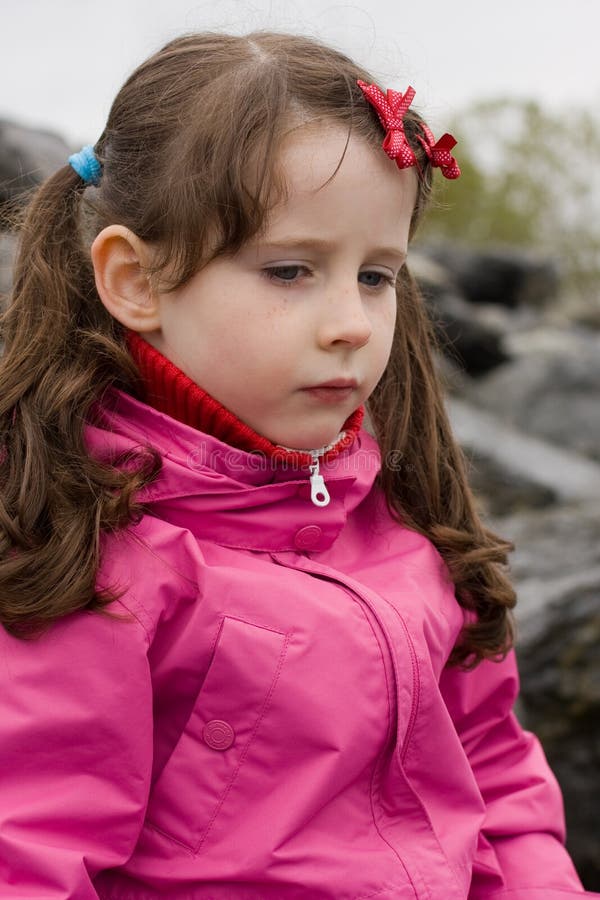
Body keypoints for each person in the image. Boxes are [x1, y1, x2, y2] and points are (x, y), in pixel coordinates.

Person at [0, 31, 595, 900]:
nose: (351, 322)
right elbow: (31, 855)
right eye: (290, 270)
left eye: (377, 277)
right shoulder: (83, 557)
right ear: (134, 280)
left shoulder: (406, 515)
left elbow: (496, 773)